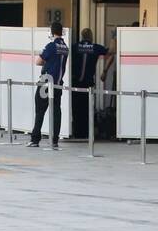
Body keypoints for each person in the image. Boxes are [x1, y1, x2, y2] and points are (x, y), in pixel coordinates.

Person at [30, 21, 69, 149]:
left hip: (46, 82)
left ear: (52, 32)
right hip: (58, 84)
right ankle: (55, 140)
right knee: (56, 111)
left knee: (40, 110)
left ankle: (35, 139)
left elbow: (39, 61)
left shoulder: (51, 46)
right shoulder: (65, 48)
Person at [71, 27, 112, 138]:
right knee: (87, 109)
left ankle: (77, 133)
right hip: (88, 84)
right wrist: (115, 38)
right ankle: (86, 134)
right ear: (91, 37)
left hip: (75, 83)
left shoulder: (75, 47)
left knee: (76, 109)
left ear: (82, 36)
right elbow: (111, 51)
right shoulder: (95, 48)